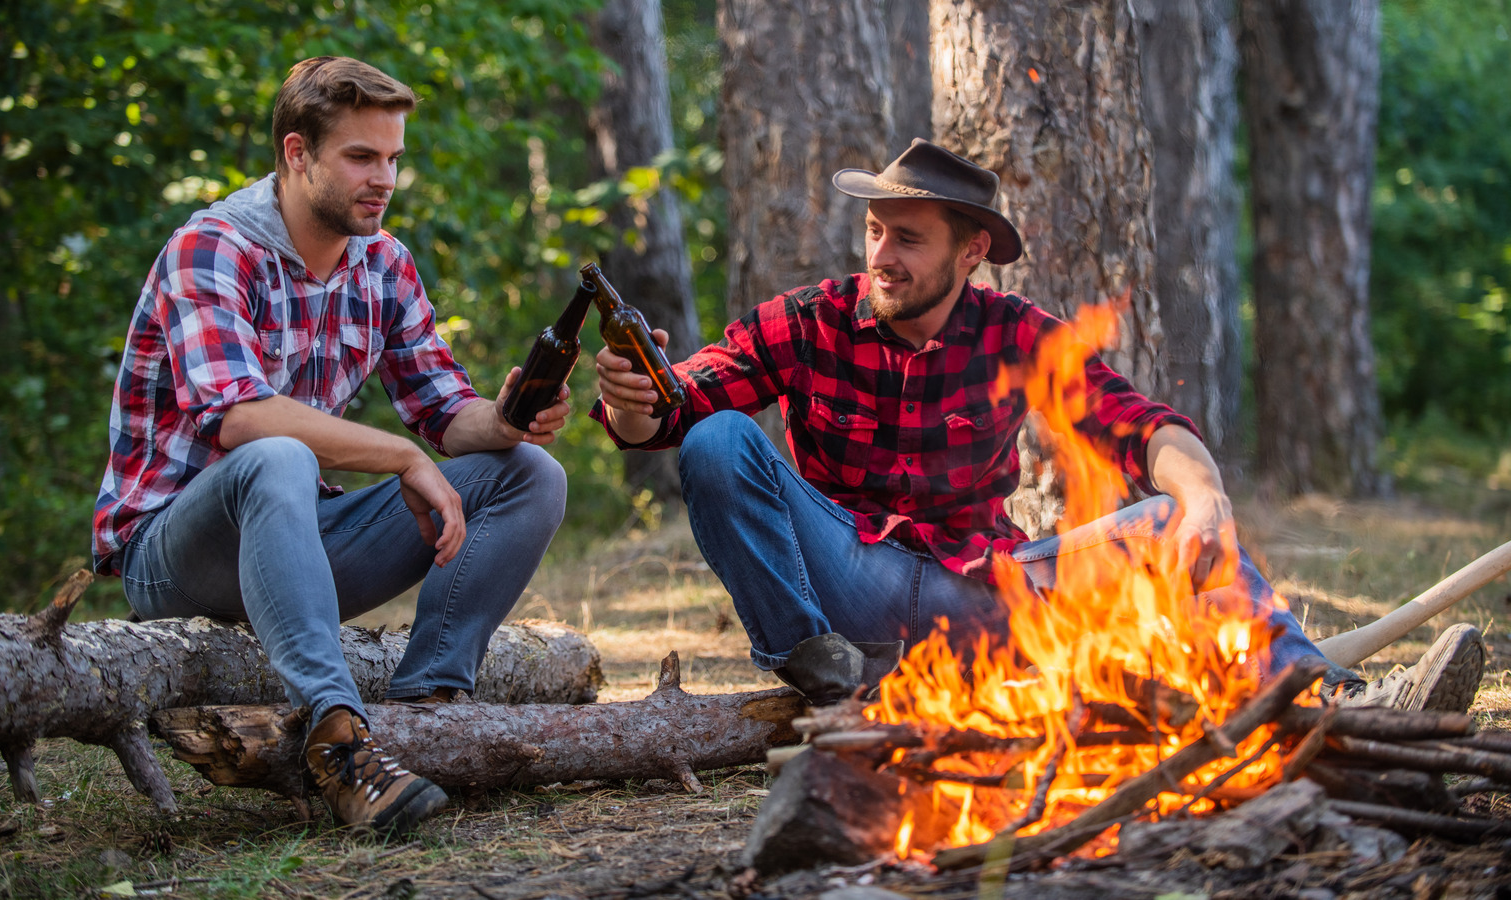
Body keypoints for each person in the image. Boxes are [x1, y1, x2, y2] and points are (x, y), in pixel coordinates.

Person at [592, 138, 1485, 712]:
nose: (882, 256)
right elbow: (682, 408)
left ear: (970, 252)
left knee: (1173, 518)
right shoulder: (811, 317)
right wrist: (638, 409)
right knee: (716, 439)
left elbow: (1141, 425)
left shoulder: (1018, 335)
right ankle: (811, 667)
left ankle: (1335, 696)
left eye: (909, 238)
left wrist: (1204, 492)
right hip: (841, 592)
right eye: (875, 232)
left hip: (980, 599)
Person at [92, 57, 571, 836]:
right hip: (173, 557)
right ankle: (338, 739)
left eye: (392, 159)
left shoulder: (383, 263)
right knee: (277, 454)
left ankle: (427, 713)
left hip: (300, 548)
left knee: (530, 475)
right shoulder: (211, 248)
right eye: (360, 157)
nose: (383, 178)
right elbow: (242, 419)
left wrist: (510, 419)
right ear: (296, 154)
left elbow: (445, 412)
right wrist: (404, 457)